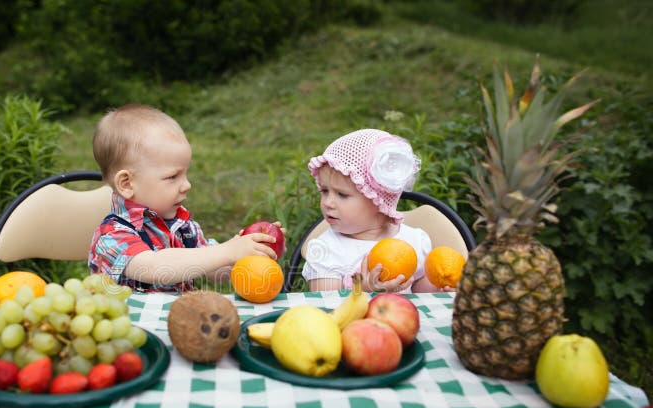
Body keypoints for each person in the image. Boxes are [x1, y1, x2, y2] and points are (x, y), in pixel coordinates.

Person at [89, 104, 278, 292]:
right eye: (173, 177)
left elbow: (214, 268)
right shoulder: (112, 235)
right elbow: (154, 267)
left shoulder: (184, 226)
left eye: (185, 174)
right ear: (127, 184)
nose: (187, 185)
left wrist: (246, 252)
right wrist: (226, 251)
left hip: (182, 318)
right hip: (133, 321)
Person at [302, 128, 446, 293]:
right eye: (324, 191)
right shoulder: (326, 250)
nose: (327, 202)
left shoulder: (414, 241)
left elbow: (422, 295)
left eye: (342, 194)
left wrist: (440, 287)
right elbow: (325, 306)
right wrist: (362, 291)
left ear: (378, 200)